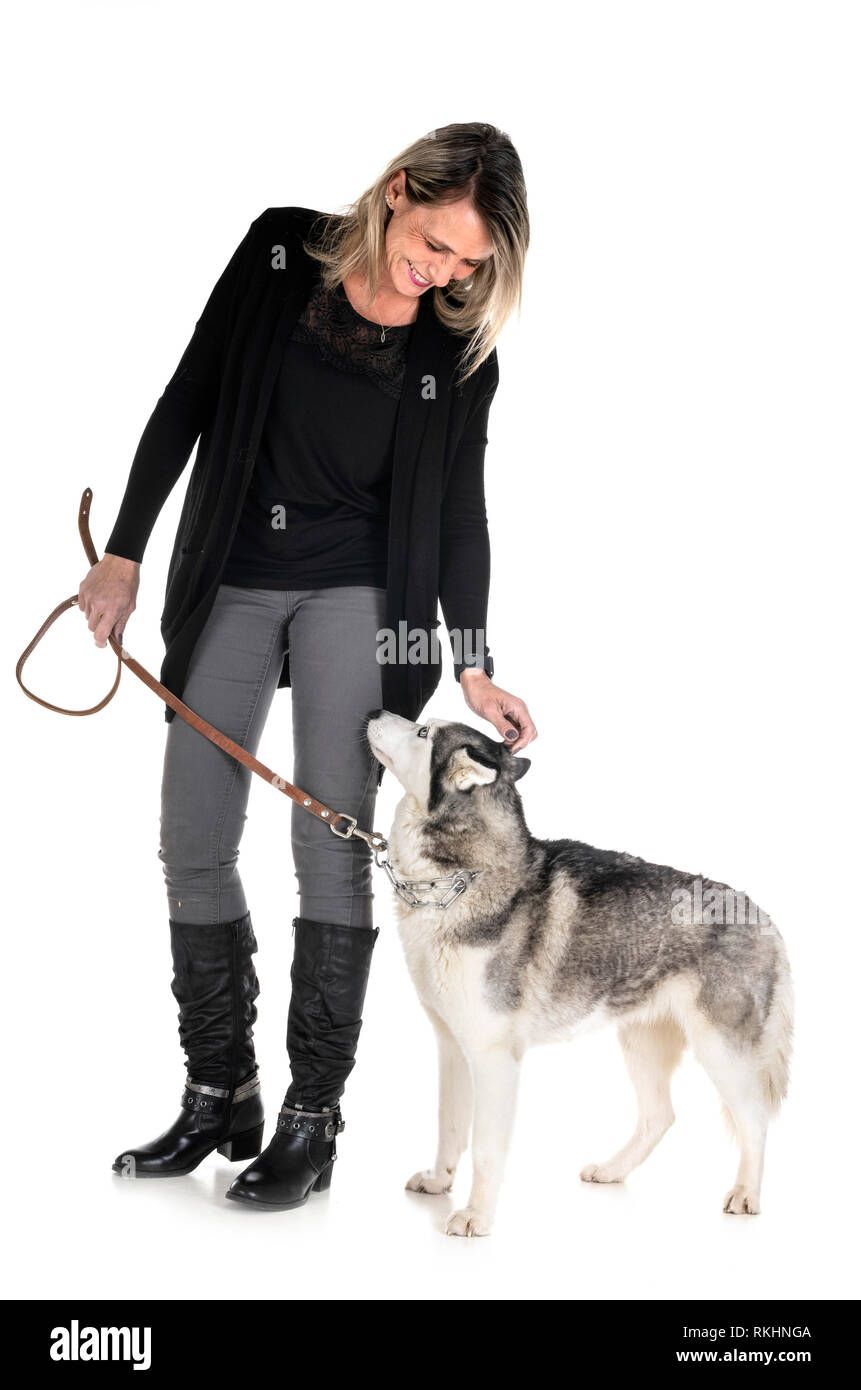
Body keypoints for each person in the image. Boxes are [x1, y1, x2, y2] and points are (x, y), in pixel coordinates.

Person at [78, 121, 537, 1211]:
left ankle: (311, 1122)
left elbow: (463, 512)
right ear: (392, 195)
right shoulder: (281, 252)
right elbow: (188, 396)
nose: (446, 275)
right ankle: (218, 1091)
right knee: (190, 835)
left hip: (363, 597)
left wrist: (471, 662)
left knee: (325, 836)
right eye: (436, 245)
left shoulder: (458, 347)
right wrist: (126, 554)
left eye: (471, 264)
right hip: (232, 569)